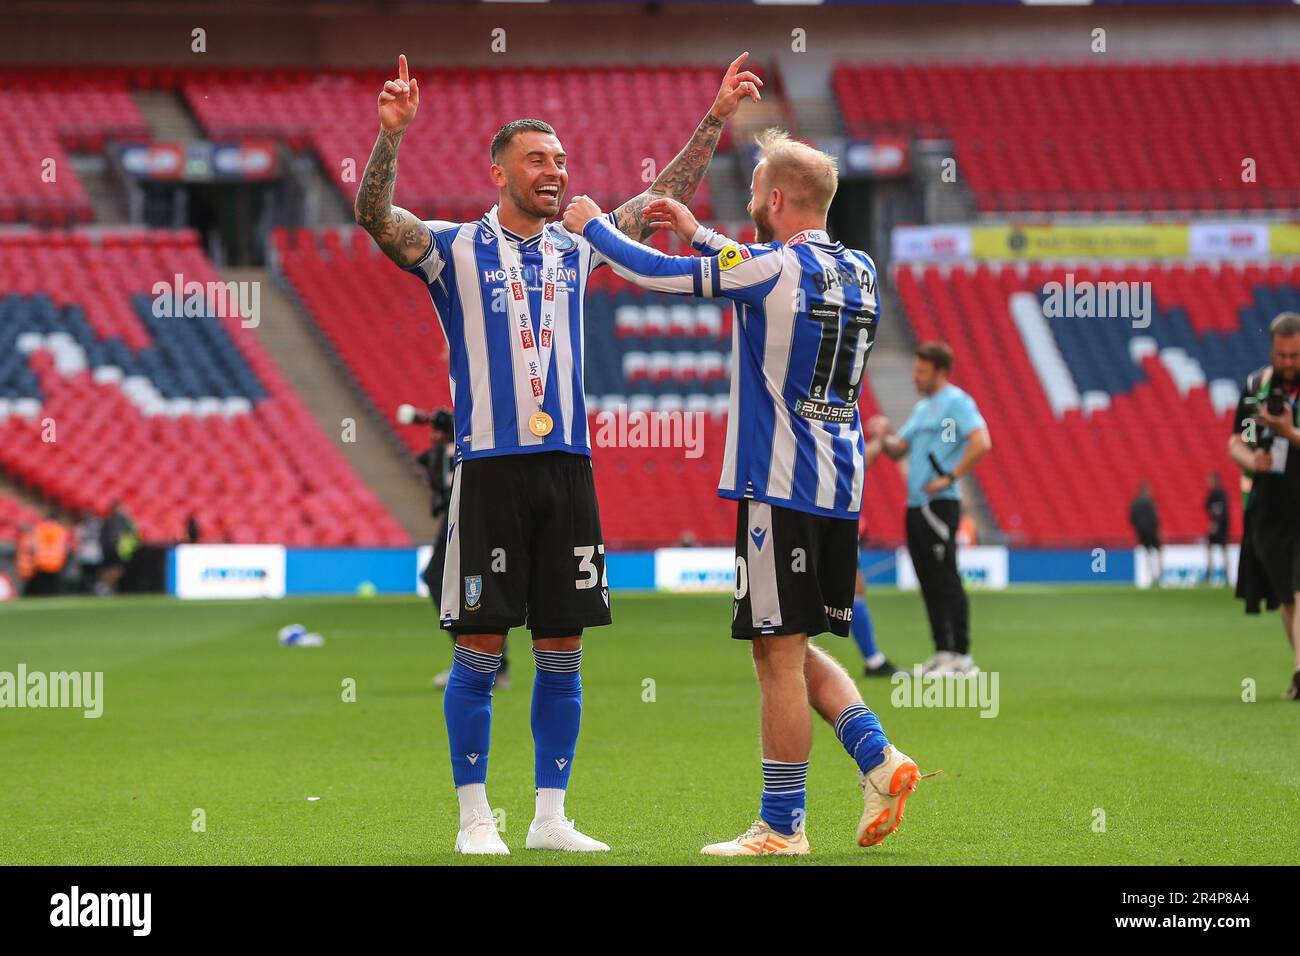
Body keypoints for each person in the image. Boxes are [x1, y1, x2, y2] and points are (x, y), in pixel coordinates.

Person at [356, 52, 763, 855]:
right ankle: (476, 817)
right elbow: (376, 216)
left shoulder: (578, 245)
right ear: (500, 168)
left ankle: (549, 817)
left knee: (562, 648)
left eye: (563, 161)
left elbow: (661, 201)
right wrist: (389, 137)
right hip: (489, 470)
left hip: (568, 469)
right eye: (539, 159)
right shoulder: (451, 247)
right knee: (479, 644)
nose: (555, 171)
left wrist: (713, 118)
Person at [563, 127, 931, 857]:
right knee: (786, 650)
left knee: (774, 657)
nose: (754, 204)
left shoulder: (771, 269)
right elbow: (746, 263)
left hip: (779, 484)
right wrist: (701, 232)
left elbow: (657, 274)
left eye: (760, 192)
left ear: (775, 198)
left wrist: (594, 228)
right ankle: (878, 761)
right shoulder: (860, 270)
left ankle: (783, 826)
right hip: (839, 483)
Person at [869, 343, 992, 676]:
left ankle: (962, 656)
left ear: (940, 372)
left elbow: (982, 441)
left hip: (940, 503)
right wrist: (884, 435)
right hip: (916, 505)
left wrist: (949, 476)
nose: (915, 377)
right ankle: (942, 651)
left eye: (921, 371)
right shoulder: (923, 410)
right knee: (927, 578)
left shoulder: (957, 402)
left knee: (945, 576)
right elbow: (899, 451)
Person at [1229, 311, 1300, 700]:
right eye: (1282, 355)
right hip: (1270, 505)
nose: (1288, 363)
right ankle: (1299, 669)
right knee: (1286, 598)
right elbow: (1237, 439)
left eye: (1295, 355)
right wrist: (1251, 459)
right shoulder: (1256, 386)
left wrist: (1289, 432)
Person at [415, 407, 512, 691]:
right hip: (466, 504)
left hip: (480, 503)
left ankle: (482, 663)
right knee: (451, 581)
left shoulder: (482, 374)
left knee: (461, 582)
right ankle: (482, 662)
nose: (444, 357)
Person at [26, 511, 70, 597]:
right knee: (53, 584)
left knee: (42, 585)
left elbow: (33, 545)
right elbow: (63, 546)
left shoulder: (39, 528)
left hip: (41, 560)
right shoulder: (60, 529)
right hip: (55, 561)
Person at [1129, 481, 1163, 586]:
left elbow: (1132, 518)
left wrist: (1137, 528)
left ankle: (1149, 575)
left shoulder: (1135, 503)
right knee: (1158, 551)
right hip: (1151, 530)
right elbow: (1155, 518)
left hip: (1141, 531)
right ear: (1147, 490)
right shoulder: (1150, 502)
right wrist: (1158, 531)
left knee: (1147, 552)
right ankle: (1157, 575)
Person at [1204, 472, 1229, 586]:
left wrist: (1216, 524)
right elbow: (1206, 506)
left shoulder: (1222, 494)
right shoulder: (1211, 495)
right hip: (1214, 526)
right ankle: (1209, 573)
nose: (1209, 483)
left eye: (1210, 481)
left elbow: (1223, 513)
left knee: (1223, 550)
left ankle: (1226, 574)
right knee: (1210, 548)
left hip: (1222, 527)